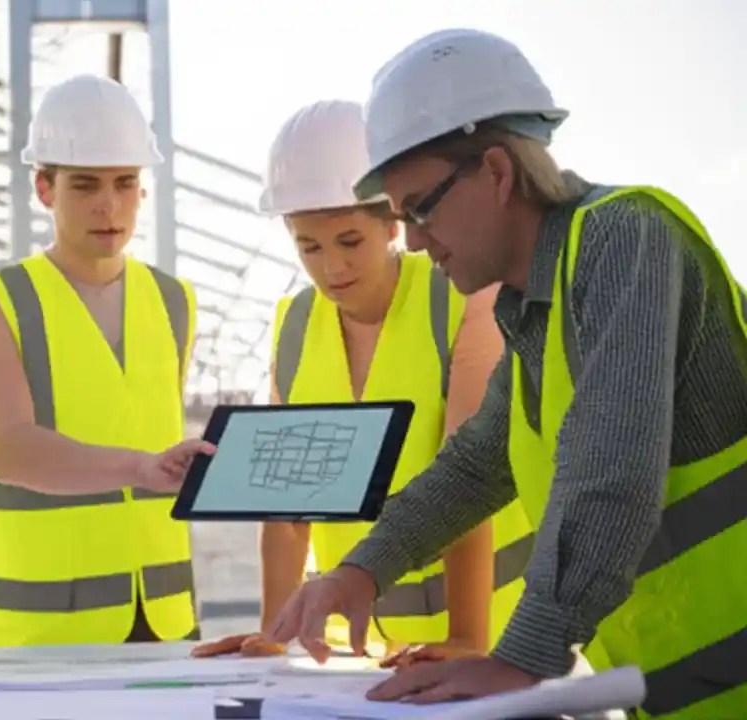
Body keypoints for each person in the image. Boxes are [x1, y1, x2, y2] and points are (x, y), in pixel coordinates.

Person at [268, 28, 747, 719]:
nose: (417, 243)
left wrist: (520, 660)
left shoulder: (626, 240)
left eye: (422, 210)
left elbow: (612, 476)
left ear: (496, 171)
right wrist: (360, 569)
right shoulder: (532, 310)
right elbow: (475, 466)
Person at [192, 99, 531, 663]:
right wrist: (273, 637)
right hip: (366, 650)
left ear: (393, 220)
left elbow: (470, 474)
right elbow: (286, 507)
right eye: (309, 247)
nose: (331, 268)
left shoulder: (463, 296)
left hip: (493, 638)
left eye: (349, 242)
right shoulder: (295, 324)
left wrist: (466, 640)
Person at [0, 74, 214, 649]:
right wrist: (139, 468)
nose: (108, 205)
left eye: (125, 184)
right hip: (39, 636)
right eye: (85, 185)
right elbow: (11, 450)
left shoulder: (175, 303)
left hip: (166, 622)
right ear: (44, 188)